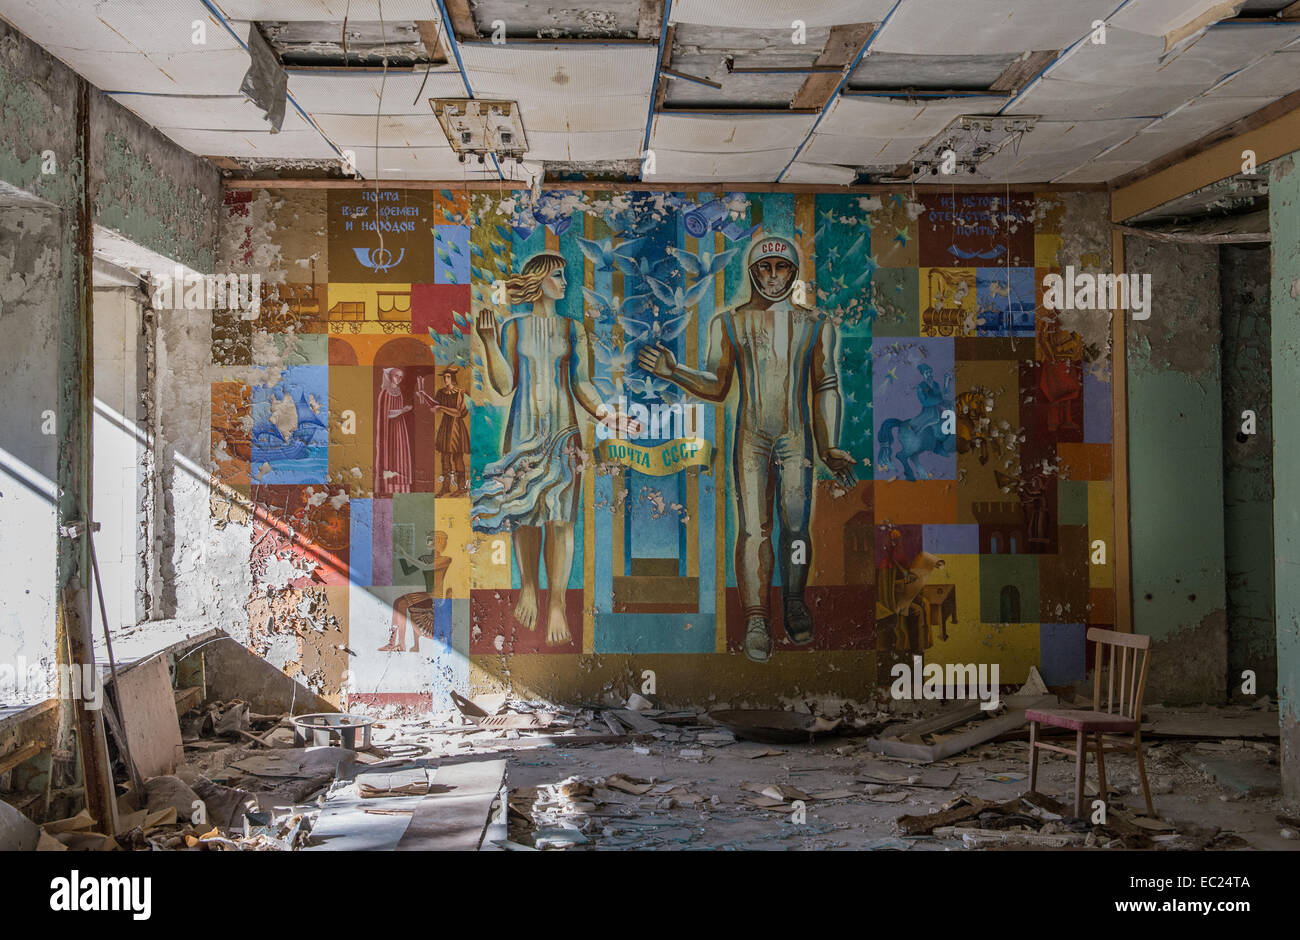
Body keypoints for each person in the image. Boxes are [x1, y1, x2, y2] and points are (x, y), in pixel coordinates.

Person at [638, 234, 856, 663]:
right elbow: (718, 386)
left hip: (796, 438)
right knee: (754, 529)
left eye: (782, 267)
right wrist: (674, 371)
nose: (773, 276)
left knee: (796, 527)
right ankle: (757, 618)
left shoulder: (816, 324)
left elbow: (826, 385)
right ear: (753, 272)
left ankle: (793, 601)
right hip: (751, 438)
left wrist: (829, 446)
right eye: (765, 268)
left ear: (793, 272)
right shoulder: (729, 323)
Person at [472, 253, 636, 645]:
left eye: (564, 275)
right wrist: (489, 342)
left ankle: (558, 602)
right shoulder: (513, 327)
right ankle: (530, 586)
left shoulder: (572, 327)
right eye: (557, 276)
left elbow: (582, 383)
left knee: (561, 519)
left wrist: (607, 415)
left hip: (564, 432)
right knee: (525, 515)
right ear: (538, 281)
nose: (564, 282)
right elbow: (504, 385)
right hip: (522, 431)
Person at [379, 531, 451, 653]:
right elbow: (407, 571)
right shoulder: (424, 558)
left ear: (438, 542)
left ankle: (400, 644)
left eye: (431, 539)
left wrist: (405, 554)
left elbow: (425, 567)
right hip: (428, 595)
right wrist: (400, 556)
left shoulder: (445, 559)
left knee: (401, 603)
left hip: (437, 597)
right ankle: (393, 643)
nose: (428, 542)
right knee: (398, 603)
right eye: (428, 539)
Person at [420, 367, 470, 496]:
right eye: (444, 377)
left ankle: (461, 487)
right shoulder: (441, 392)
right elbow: (434, 405)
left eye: (448, 377)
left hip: (456, 427)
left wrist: (441, 407)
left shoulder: (460, 392)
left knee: (457, 457)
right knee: (445, 458)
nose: (445, 379)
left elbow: (458, 413)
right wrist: (424, 396)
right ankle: (446, 487)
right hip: (445, 426)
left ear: (453, 378)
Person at [375, 367, 413, 497]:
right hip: (389, 430)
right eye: (397, 376)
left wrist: (402, 411)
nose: (399, 379)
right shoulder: (385, 393)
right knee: (390, 455)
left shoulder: (398, 392)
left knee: (400, 455)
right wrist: (403, 410)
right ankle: (388, 488)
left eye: (401, 377)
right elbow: (386, 414)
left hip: (399, 428)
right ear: (391, 377)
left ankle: (401, 488)